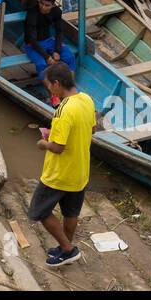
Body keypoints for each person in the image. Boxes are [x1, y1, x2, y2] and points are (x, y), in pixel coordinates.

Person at [29, 63, 96, 268]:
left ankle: (68, 249)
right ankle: (64, 247)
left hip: (59, 174)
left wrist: (43, 143)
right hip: (80, 171)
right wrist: (55, 135)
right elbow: (91, 129)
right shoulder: (86, 99)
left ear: (57, 84)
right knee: (71, 212)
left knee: (38, 211)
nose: (49, 89)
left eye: (50, 85)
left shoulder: (63, 110)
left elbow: (57, 148)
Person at [23, 0, 76, 78]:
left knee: (70, 57)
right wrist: (47, 57)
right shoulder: (32, 12)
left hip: (48, 41)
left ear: (53, 5)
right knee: (42, 64)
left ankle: (71, 87)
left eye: (47, 5)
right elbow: (32, 39)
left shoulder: (56, 12)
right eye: (41, 3)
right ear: (39, 0)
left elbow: (59, 31)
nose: (43, 7)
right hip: (31, 45)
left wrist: (57, 50)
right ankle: (51, 91)